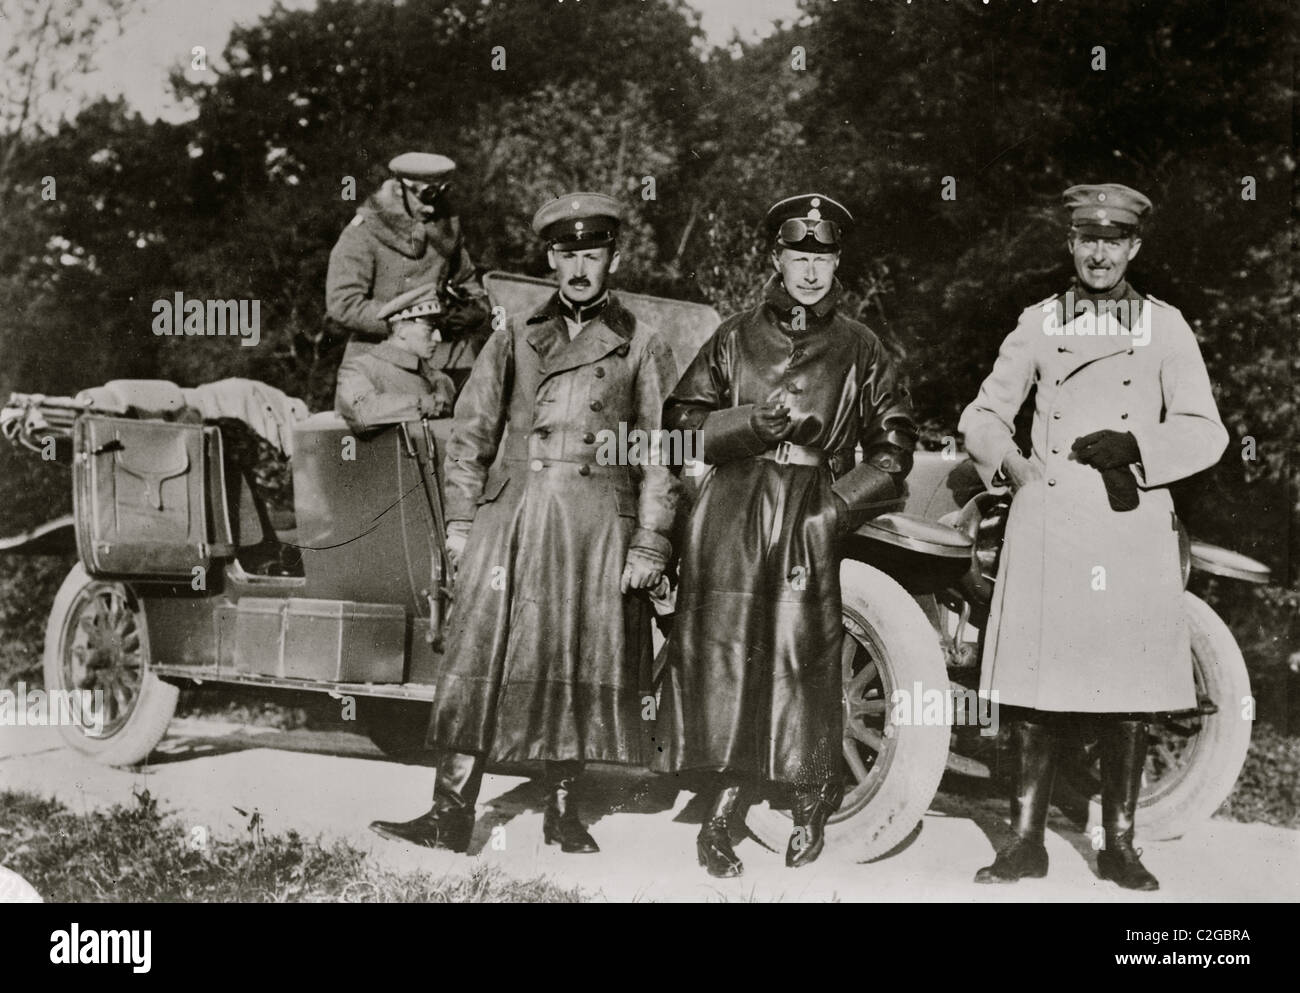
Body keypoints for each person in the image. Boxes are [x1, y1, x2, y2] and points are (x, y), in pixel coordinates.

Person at [367, 192, 679, 854]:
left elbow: (660, 454)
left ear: (613, 259)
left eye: (592, 255)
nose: (579, 269)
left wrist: (651, 541)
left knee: (576, 658)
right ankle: (450, 813)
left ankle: (564, 812)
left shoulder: (642, 344)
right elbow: (471, 436)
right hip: (511, 520)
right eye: (567, 255)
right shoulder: (513, 337)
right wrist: (460, 524)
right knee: (478, 658)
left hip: (595, 524)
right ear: (550, 261)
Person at [959, 183, 1229, 891]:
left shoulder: (1166, 327)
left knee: (1129, 693)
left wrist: (1138, 446)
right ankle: (1025, 843)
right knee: (1035, 689)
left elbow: (1207, 432)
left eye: (1114, 241)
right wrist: (1015, 467)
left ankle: (1120, 847)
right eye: (1088, 240)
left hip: (1129, 522)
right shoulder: (1038, 321)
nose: (1100, 254)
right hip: (1051, 523)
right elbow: (983, 415)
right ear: (1071, 244)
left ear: (1133, 246)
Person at [654, 194, 919, 877]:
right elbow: (679, 423)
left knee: (804, 660)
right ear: (776, 258)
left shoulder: (861, 347)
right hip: (732, 514)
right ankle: (721, 812)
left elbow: (893, 450)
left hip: (810, 511)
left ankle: (811, 799)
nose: (809, 271)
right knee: (730, 663)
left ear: (837, 263)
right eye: (798, 256)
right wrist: (744, 425)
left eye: (821, 258)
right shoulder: (734, 336)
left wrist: (835, 509)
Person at [326, 152, 490, 392]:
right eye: (426, 194)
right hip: (378, 361)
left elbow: (468, 282)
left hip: (442, 358)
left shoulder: (446, 229)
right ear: (400, 189)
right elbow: (343, 304)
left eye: (440, 193)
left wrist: (472, 311)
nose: (431, 206)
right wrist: (409, 322)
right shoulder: (364, 232)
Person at [333, 282, 457, 433]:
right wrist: (427, 404)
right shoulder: (359, 369)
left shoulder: (440, 379)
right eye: (429, 329)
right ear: (401, 330)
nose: (438, 338)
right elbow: (363, 413)